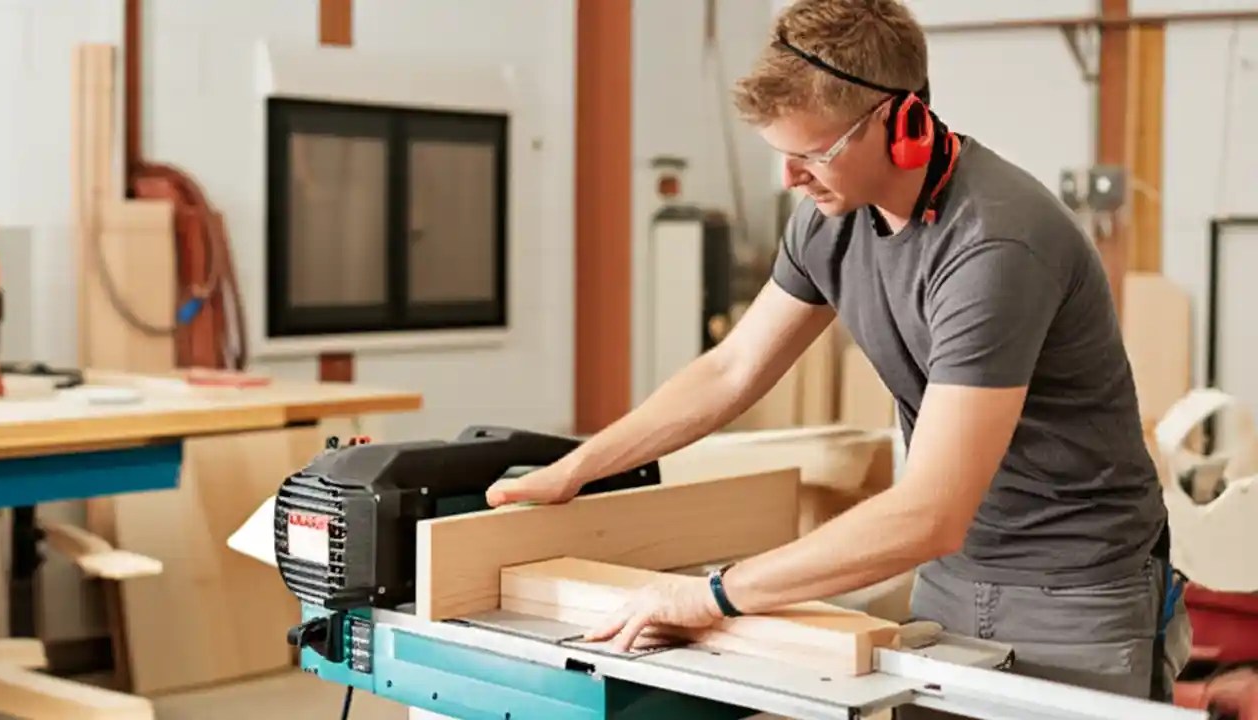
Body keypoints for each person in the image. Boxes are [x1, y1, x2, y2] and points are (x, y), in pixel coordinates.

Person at [485, 0, 1191, 710]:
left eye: (813, 152)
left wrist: (715, 595)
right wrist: (574, 469)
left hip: (1074, 592)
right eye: (780, 154)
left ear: (904, 123)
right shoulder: (831, 218)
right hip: (950, 571)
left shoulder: (994, 246)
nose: (792, 178)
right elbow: (730, 370)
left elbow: (928, 512)